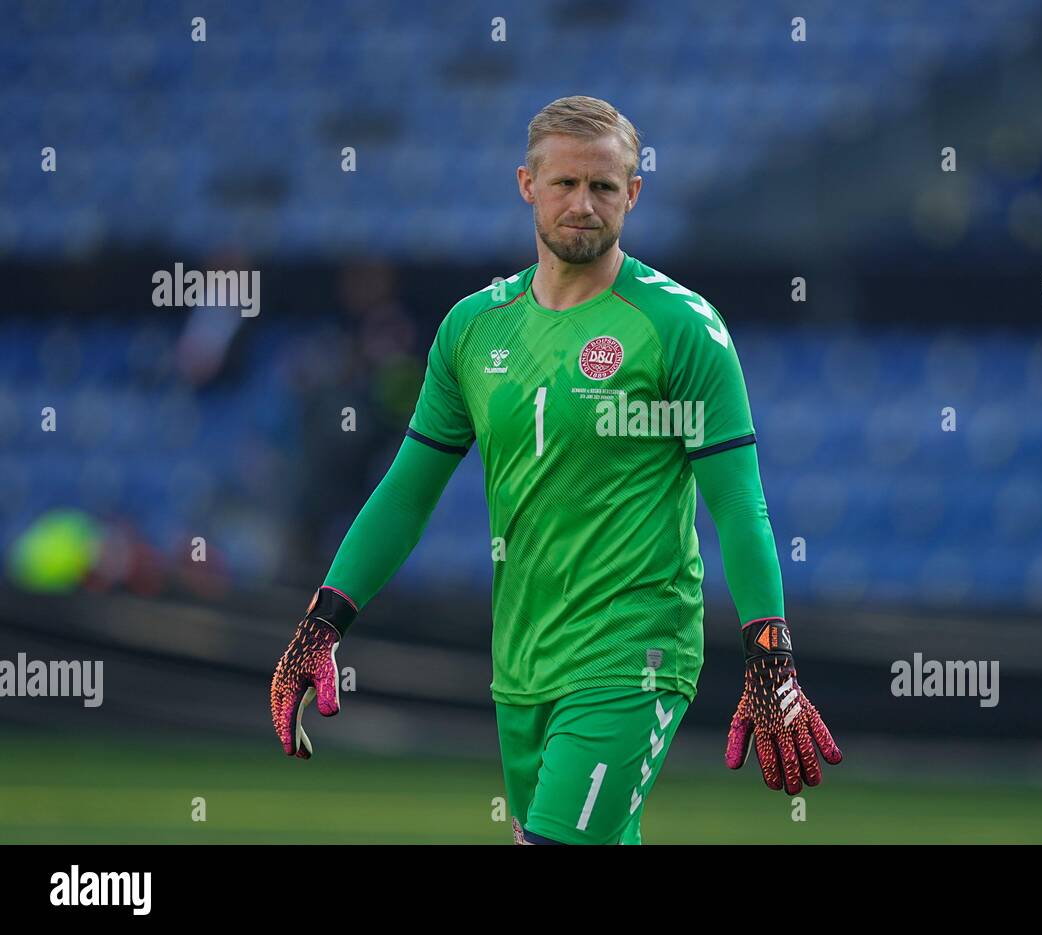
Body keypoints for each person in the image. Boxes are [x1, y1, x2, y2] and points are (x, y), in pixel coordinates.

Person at [270, 95, 841, 845]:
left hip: (635, 658)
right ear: (526, 185)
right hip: (523, 666)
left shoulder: (681, 328)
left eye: (604, 186)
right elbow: (407, 493)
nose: (583, 203)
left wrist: (770, 654)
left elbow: (740, 506)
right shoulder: (472, 329)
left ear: (632, 194)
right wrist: (322, 623)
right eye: (565, 183)